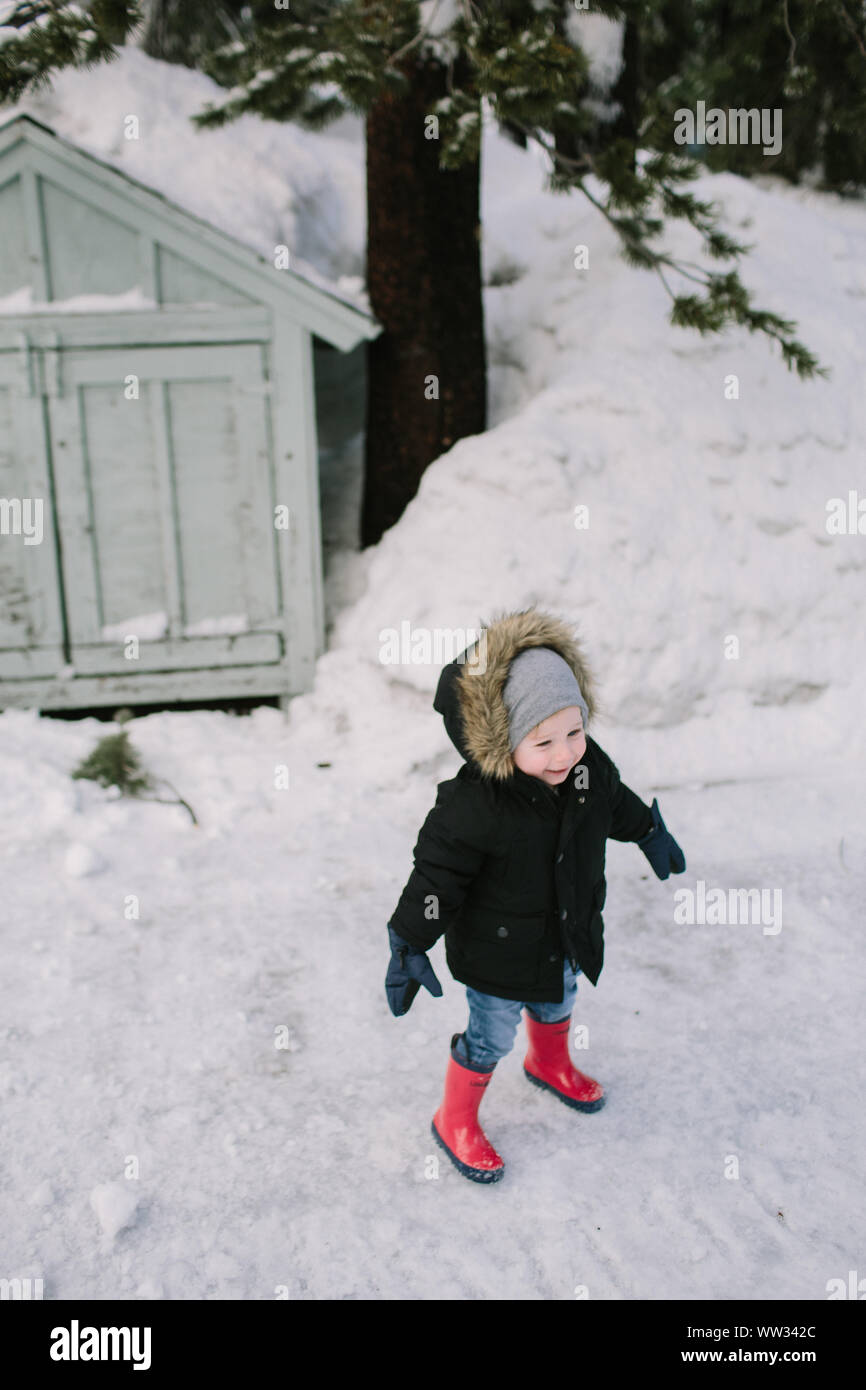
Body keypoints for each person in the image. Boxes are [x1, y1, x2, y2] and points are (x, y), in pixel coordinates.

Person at [384, 606, 686, 1184]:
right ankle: (455, 1118)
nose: (564, 753)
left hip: (566, 932)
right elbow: (435, 879)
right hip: (497, 956)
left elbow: (612, 800)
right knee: (490, 1035)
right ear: (503, 737)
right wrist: (410, 939)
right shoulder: (474, 806)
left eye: (574, 731)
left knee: (559, 1002)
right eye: (542, 740)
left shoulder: (583, 770)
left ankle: (549, 1062)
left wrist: (648, 830)